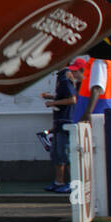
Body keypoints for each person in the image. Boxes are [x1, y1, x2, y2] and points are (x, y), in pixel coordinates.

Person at [41, 62, 80, 192]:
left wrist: (53, 102)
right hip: (59, 121)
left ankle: (72, 183)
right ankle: (59, 181)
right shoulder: (61, 77)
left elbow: (72, 99)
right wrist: (52, 97)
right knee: (56, 153)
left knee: (65, 153)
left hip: (65, 120)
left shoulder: (65, 77)